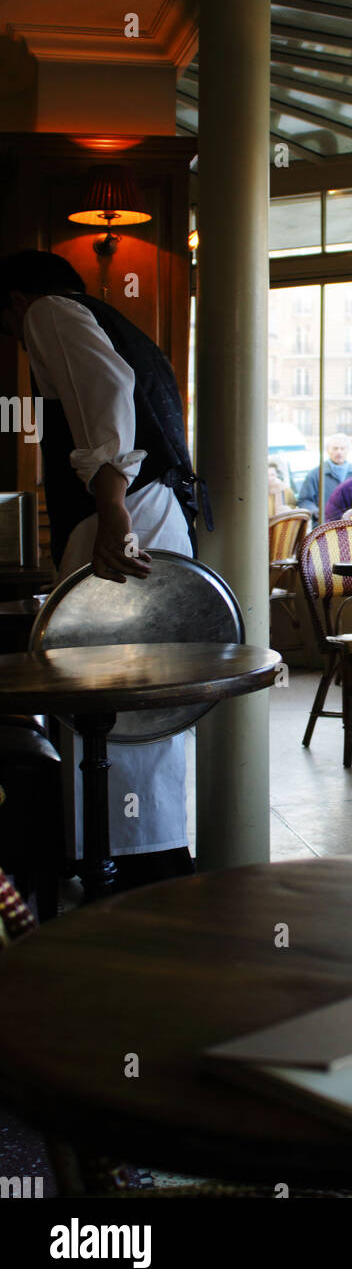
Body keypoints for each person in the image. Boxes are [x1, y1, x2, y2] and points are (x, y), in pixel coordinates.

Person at [0, 249, 207, 891]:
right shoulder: (117, 321)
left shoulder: (50, 312)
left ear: (15, 297)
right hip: (154, 511)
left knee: (104, 694)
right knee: (144, 696)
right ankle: (151, 852)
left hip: (121, 517)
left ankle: (114, 859)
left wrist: (111, 508)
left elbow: (106, 394)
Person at [296, 434, 352, 523]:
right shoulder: (315, 474)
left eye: (342, 448)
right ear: (328, 450)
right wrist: (316, 512)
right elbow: (304, 500)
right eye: (335, 448)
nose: (339, 452)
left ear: (348, 450)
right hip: (324, 527)